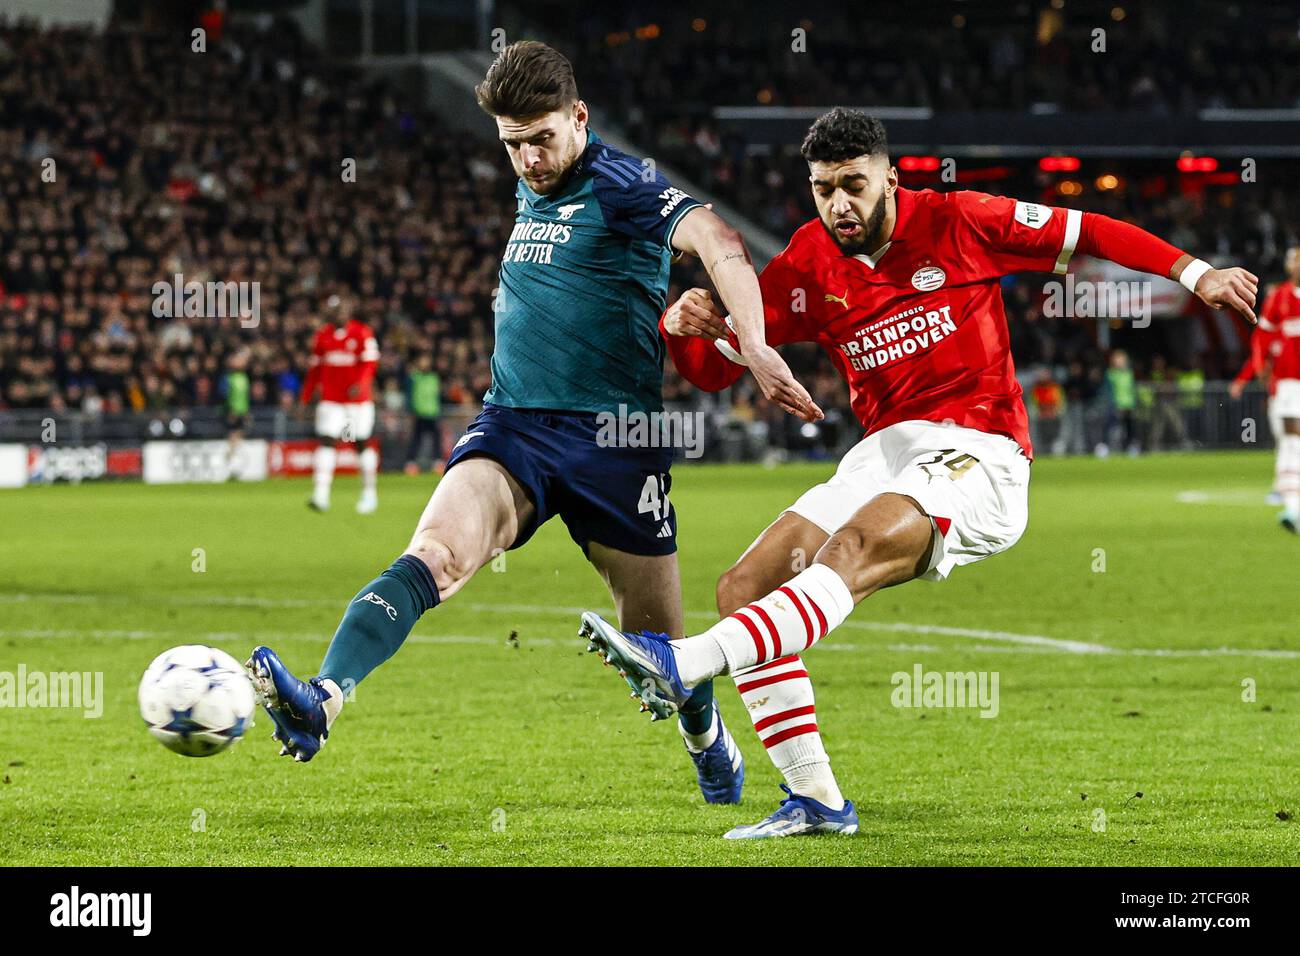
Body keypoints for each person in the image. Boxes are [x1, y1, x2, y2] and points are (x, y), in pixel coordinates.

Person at [578, 107, 1258, 838]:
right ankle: (815, 800)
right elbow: (720, 367)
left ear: (890, 179)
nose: (839, 204)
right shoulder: (808, 261)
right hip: (884, 452)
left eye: (852, 185)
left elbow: (1086, 230)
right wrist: (683, 330)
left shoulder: (961, 219)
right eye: (822, 189)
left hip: (981, 449)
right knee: (746, 586)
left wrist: (1196, 272)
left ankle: (684, 662)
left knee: (854, 546)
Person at [246, 42, 819, 807]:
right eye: (512, 143)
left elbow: (719, 242)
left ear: (579, 118)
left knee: (665, 651)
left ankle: (708, 741)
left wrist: (752, 346)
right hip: (513, 426)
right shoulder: (532, 184)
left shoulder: (623, 181)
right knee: (436, 552)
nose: (526, 158)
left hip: (618, 446)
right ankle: (324, 698)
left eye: (541, 138)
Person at [300, 292, 381, 514]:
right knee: (326, 441)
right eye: (335, 310)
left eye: (342, 309)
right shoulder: (322, 336)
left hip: (357, 402)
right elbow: (314, 370)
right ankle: (321, 494)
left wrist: (361, 384)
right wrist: (305, 398)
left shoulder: (362, 333)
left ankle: (369, 493)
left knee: (360, 442)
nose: (339, 313)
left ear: (348, 311)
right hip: (331, 400)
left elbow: (370, 363)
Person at [1250, 247, 1300, 531]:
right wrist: (1260, 366)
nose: (1295, 264)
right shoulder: (1278, 297)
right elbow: (1262, 335)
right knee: (1291, 436)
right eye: (1292, 260)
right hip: (1289, 382)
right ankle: (1292, 507)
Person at [404, 354, 444, 475]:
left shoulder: (434, 377)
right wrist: (410, 410)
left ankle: (437, 462)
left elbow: (437, 396)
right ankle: (411, 464)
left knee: (436, 439)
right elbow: (409, 395)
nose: (425, 363)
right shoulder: (414, 377)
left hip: (433, 413)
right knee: (416, 440)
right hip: (419, 413)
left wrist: (439, 410)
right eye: (423, 360)